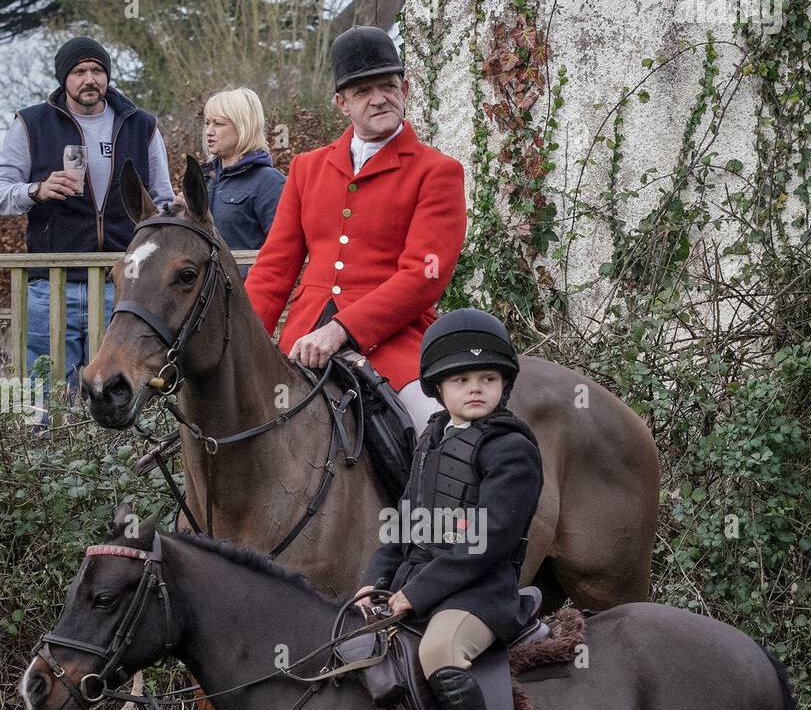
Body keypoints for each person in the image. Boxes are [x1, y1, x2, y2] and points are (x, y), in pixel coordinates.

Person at [353, 309, 544, 710]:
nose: (476, 389)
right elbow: (404, 520)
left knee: (440, 649)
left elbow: (488, 541)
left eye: (488, 379)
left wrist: (416, 594)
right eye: (462, 380)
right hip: (422, 583)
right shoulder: (430, 440)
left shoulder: (512, 449)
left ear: (504, 384)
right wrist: (377, 578)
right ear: (439, 388)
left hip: (481, 593)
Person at [244, 26, 467, 436]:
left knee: (434, 428)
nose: (379, 98)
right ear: (342, 103)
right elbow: (274, 268)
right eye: (363, 91)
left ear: (406, 88)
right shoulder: (307, 168)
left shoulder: (437, 172)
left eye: (388, 85)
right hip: (301, 342)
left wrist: (342, 329)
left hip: (391, 345)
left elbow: (423, 277)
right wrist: (241, 343)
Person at [0, 36, 174, 406]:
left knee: (113, 385)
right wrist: (36, 190)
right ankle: (36, 463)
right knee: (39, 391)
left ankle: (113, 461)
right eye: (79, 71)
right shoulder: (31, 123)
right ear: (64, 78)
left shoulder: (141, 124)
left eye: (97, 70)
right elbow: (1, 192)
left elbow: (161, 197)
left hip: (120, 280)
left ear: (108, 76)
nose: (89, 79)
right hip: (50, 281)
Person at [195, 87, 285, 278]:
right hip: (201, 298)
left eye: (218, 124)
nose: (209, 132)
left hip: (245, 297)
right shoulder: (203, 179)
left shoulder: (268, 182)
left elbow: (283, 253)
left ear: (243, 126)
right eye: (207, 123)